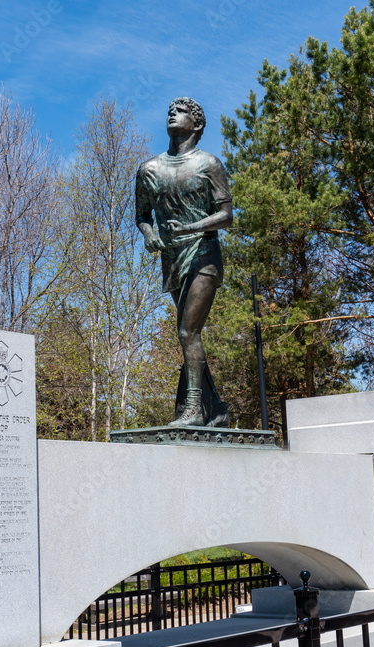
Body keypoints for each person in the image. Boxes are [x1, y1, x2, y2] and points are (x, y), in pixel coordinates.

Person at [135, 97, 232, 427]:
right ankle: (216, 406)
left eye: (181, 112)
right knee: (190, 334)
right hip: (173, 260)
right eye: (169, 111)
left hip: (204, 255)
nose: (171, 114)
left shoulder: (210, 164)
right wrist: (149, 235)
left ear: (198, 124)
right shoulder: (149, 170)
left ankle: (192, 410)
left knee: (187, 330)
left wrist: (191, 227)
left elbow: (226, 216)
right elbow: (142, 216)